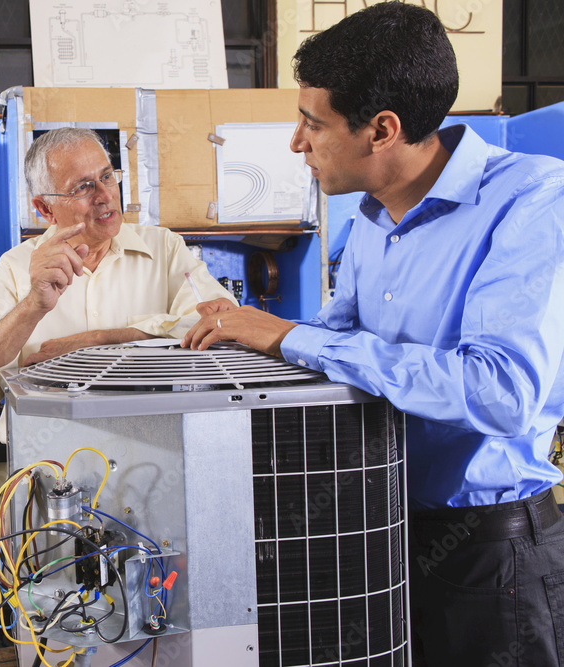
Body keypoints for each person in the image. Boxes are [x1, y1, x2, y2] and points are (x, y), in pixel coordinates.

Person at [183, 3, 564, 665]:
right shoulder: (369, 217)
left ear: (382, 129)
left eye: (312, 122)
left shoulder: (530, 200)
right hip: (384, 531)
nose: (296, 143)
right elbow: (341, 349)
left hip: (491, 557)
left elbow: (501, 391)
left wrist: (292, 337)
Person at [0, 127, 235, 440]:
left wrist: (91, 342)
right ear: (45, 208)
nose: (105, 195)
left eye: (107, 176)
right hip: (48, 458)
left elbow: (224, 325)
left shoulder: (165, 248)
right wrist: (32, 307)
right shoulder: (15, 268)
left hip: (156, 447)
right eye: (83, 187)